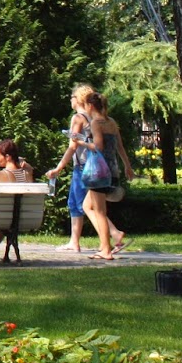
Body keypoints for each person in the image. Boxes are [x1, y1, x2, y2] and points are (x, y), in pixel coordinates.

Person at [45, 84, 124, 253]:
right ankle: (77, 241)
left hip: (84, 167)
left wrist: (58, 168)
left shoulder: (79, 118)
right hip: (98, 166)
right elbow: (117, 145)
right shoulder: (97, 118)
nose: (70, 100)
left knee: (87, 206)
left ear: (79, 99)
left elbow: (73, 147)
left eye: (72, 97)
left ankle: (112, 236)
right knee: (79, 204)